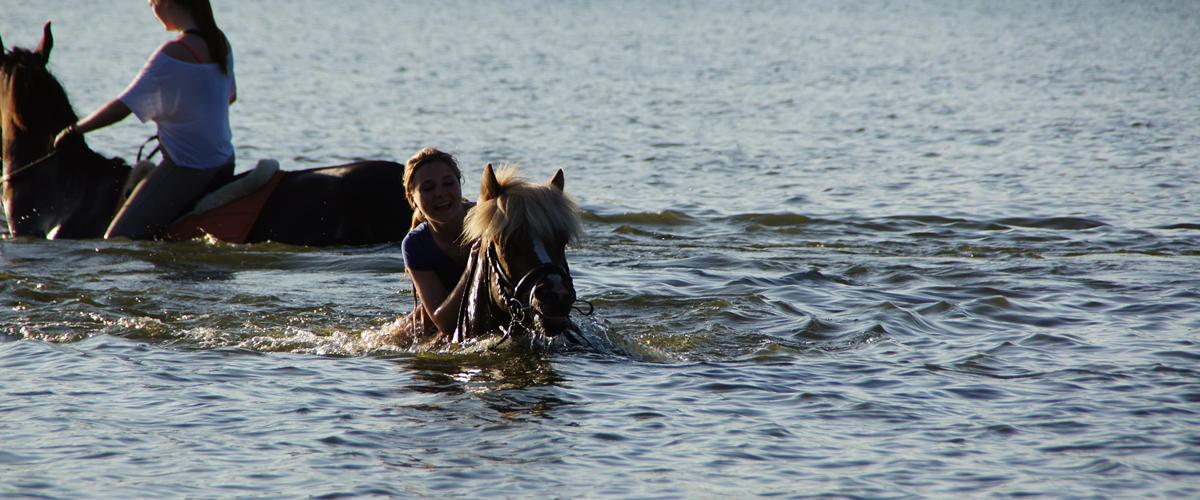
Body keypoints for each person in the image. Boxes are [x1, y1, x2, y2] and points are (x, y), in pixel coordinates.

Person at [53, 0, 237, 240]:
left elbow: (122, 107)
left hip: (188, 167)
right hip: (224, 161)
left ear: (168, 3)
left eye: (151, 1)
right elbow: (229, 97)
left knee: (118, 238)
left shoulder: (172, 53)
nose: (150, 7)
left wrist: (74, 130)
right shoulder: (220, 43)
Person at [401, 147, 474, 342]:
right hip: (438, 318)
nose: (440, 193)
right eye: (428, 188)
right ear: (412, 199)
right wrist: (476, 263)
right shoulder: (416, 244)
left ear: (459, 184)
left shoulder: (489, 220)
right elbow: (445, 324)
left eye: (448, 183)